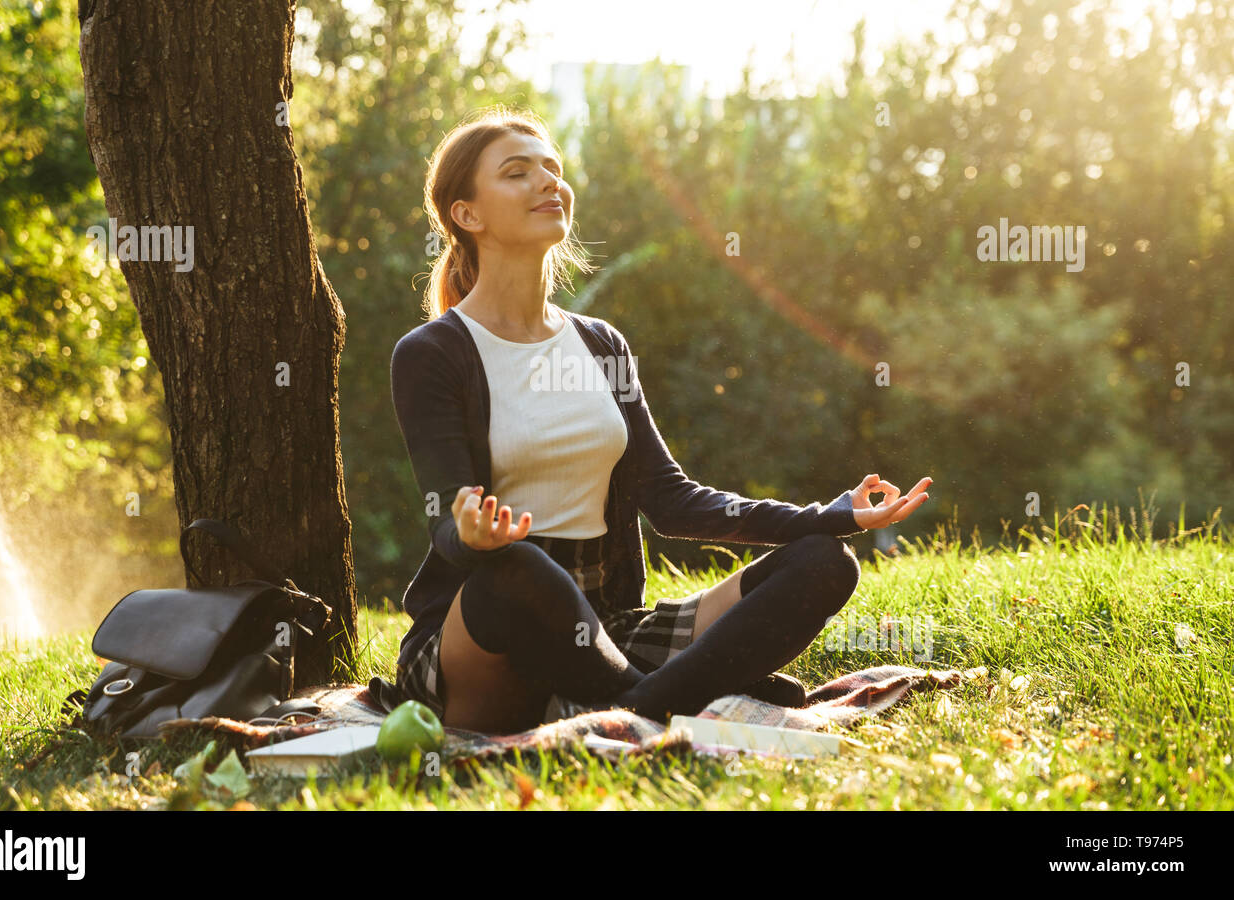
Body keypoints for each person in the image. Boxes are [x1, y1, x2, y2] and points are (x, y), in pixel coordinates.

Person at [367, 106, 932, 733]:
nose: (548, 182)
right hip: (487, 628)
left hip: (608, 633)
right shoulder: (433, 354)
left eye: (552, 168)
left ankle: (637, 705)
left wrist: (832, 517)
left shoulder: (601, 344)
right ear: (467, 214)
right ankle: (679, 697)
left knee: (824, 562)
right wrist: (472, 533)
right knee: (519, 567)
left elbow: (671, 500)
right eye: (518, 173)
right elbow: (448, 522)